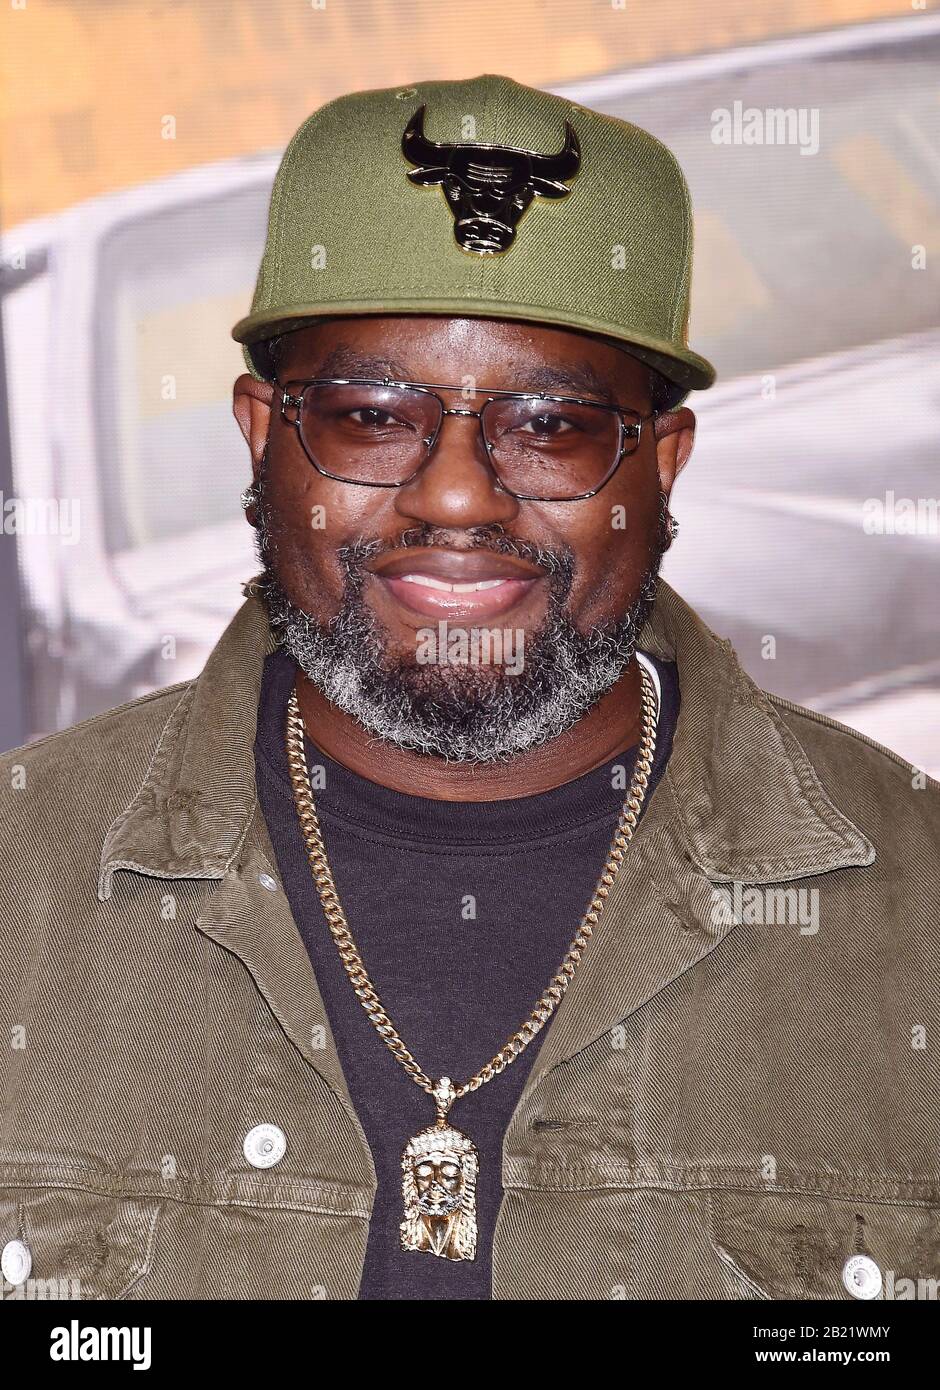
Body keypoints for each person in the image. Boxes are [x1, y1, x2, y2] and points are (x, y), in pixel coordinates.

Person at [1, 75, 937, 1303]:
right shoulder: (24, 871)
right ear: (257, 435)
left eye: (548, 425)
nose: (455, 495)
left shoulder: (910, 905)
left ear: (658, 463)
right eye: (367, 416)